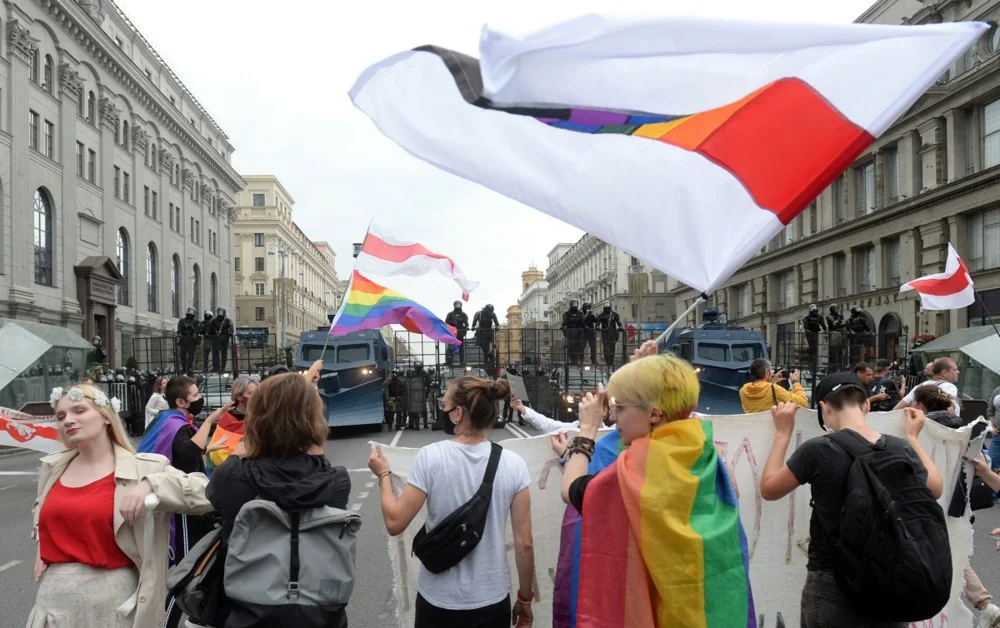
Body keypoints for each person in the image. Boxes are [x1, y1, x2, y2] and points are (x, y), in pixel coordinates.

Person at [559, 352, 751, 626]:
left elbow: (571, 490)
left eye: (619, 407)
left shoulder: (634, 470)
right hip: (710, 611)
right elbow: (733, 489)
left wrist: (587, 431)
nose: (613, 417)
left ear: (654, 414)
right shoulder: (703, 451)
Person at [759, 373, 943, 628]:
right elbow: (936, 488)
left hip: (833, 580)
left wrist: (783, 432)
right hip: (890, 578)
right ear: (866, 405)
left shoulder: (818, 449)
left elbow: (769, 489)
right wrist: (912, 438)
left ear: (824, 408)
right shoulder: (898, 447)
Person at [29, 384, 213, 628]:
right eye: (61, 416)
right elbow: (43, 511)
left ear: (106, 416)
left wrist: (153, 484)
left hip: (111, 602)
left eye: (79, 411)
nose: (68, 420)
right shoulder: (52, 468)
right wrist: (42, 542)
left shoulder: (144, 468)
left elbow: (207, 493)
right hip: (53, 602)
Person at [367, 377, 535, 628]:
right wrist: (524, 598)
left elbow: (395, 522)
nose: (441, 410)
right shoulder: (513, 464)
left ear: (457, 414)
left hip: (439, 602)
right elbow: (525, 544)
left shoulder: (431, 457)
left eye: (443, 405)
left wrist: (383, 475)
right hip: (491, 599)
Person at [206, 369, 350, 627]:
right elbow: (318, 459)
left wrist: (247, 443)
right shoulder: (336, 481)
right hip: (317, 612)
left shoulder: (233, 476)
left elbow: (215, 497)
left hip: (247, 609)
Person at [138, 376, 232, 627]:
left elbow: (179, 456)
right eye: (195, 395)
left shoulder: (168, 421)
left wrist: (209, 448)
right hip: (182, 509)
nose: (199, 398)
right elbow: (187, 453)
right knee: (187, 573)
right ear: (181, 402)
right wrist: (210, 421)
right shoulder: (176, 425)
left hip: (182, 502)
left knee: (193, 568)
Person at [205, 375, 257, 477]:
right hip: (228, 475)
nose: (256, 397)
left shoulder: (261, 418)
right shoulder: (227, 420)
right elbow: (217, 456)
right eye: (251, 393)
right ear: (239, 396)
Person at [894, 357, 961, 416]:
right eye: (955, 370)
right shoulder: (949, 387)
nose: (958, 372)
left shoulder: (920, 386)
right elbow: (950, 410)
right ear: (944, 373)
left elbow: (896, 409)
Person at [739, 358, 808, 413]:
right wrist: (795, 382)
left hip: (752, 426)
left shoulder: (743, 391)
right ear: (767, 373)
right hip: (771, 426)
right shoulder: (774, 389)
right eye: (771, 371)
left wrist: (772, 382)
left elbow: (763, 397)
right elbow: (803, 402)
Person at [596, 302, 623, 368]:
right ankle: (607, 362)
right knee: (606, 348)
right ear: (604, 308)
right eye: (606, 308)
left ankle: (611, 361)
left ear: (610, 307)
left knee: (612, 348)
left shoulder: (615, 314)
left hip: (613, 334)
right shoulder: (601, 315)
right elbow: (597, 324)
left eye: (608, 308)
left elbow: (619, 323)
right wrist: (597, 327)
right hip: (605, 333)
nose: (607, 310)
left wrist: (621, 327)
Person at [445, 301, 470, 367]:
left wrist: (466, 327)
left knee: (461, 348)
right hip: (452, 333)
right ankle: (448, 361)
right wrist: (453, 322)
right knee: (450, 348)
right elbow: (446, 321)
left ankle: (462, 361)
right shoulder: (450, 314)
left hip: (460, 333)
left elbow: (466, 323)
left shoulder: (463, 314)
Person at [561, 300, 586, 366]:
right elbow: (564, 322)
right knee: (571, 347)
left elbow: (582, 322)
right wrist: (563, 327)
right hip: (570, 333)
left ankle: (579, 360)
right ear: (571, 305)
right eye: (573, 304)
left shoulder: (580, 313)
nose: (574, 306)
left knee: (579, 347)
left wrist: (585, 327)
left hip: (578, 333)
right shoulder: (567, 313)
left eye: (575, 304)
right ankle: (572, 360)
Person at [803, 304, 826, 369]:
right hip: (810, 334)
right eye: (813, 311)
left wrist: (825, 330)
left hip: (815, 333)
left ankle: (814, 362)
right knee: (812, 348)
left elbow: (823, 325)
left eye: (815, 311)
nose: (814, 312)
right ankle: (811, 362)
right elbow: (805, 326)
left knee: (815, 348)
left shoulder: (819, 317)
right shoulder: (807, 318)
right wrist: (807, 330)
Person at [177, 308, 199, 374]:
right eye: (189, 313)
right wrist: (180, 333)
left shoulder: (196, 321)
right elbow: (179, 329)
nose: (189, 314)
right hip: (184, 339)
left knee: (191, 355)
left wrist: (192, 327)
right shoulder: (182, 321)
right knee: (182, 354)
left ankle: (190, 367)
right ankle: (184, 368)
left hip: (192, 339)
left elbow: (197, 329)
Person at [827, 304, 847, 370]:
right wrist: (839, 319)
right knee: (833, 351)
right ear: (832, 309)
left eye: (837, 308)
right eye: (835, 308)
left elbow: (844, 324)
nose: (837, 310)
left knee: (840, 351)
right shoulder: (829, 316)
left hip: (840, 334)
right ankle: (832, 366)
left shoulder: (839, 316)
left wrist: (839, 321)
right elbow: (834, 325)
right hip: (833, 335)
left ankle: (840, 365)